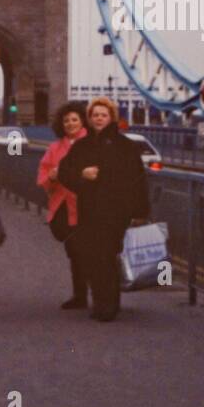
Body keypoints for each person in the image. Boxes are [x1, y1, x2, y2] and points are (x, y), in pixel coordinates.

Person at [58, 97, 150, 322]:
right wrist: (82, 175)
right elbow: (64, 173)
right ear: (89, 119)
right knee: (91, 257)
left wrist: (140, 213)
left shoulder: (125, 145)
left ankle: (108, 306)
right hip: (89, 210)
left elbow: (139, 180)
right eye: (95, 115)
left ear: (111, 118)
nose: (99, 118)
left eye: (103, 115)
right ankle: (101, 302)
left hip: (116, 210)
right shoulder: (81, 146)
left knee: (106, 256)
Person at [36, 101, 88, 309]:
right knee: (74, 251)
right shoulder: (55, 148)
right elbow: (42, 175)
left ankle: (99, 294)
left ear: (82, 121)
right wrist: (51, 175)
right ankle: (80, 295)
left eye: (74, 119)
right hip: (64, 206)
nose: (70, 123)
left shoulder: (92, 144)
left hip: (88, 205)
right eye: (66, 120)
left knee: (90, 251)